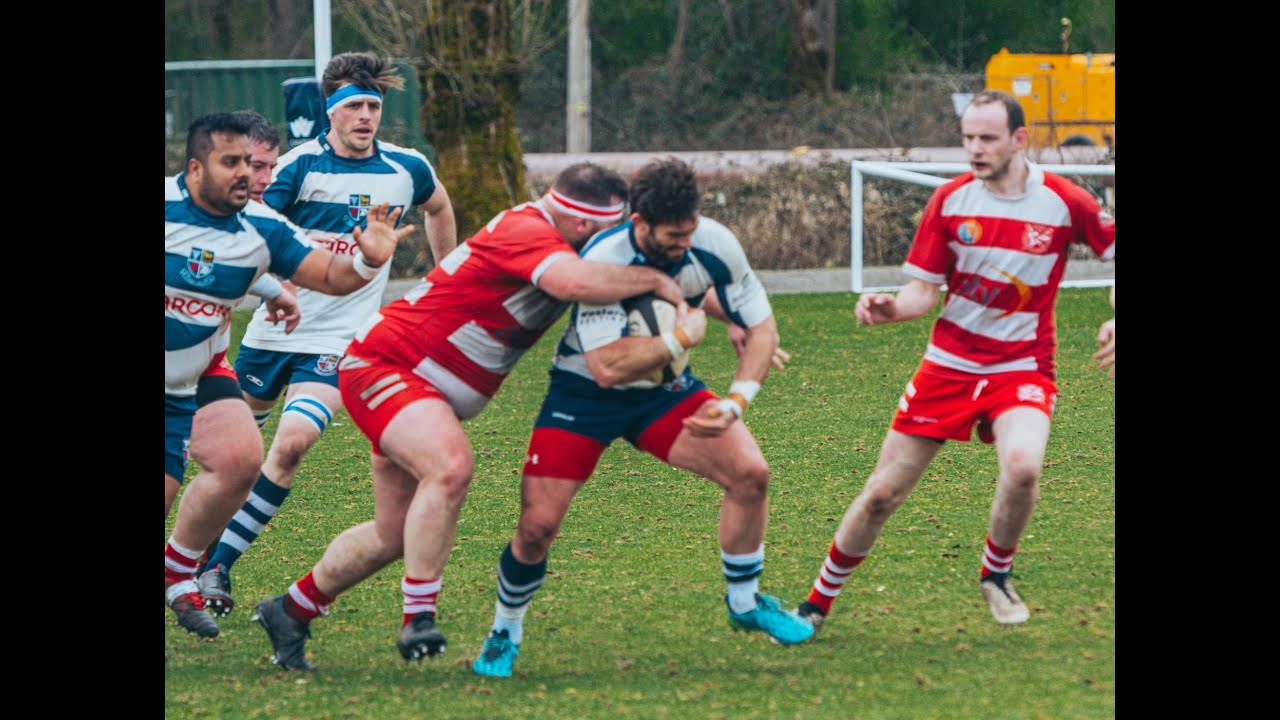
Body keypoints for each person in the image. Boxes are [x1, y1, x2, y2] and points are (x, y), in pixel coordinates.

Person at [250, 161, 686, 671]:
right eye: (610, 230)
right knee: (450, 465)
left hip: (412, 381)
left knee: (394, 533)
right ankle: (419, 617)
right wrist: (654, 278)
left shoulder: (560, 235)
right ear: (584, 224)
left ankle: (290, 610)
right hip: (386, 366)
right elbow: (572, 283)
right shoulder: (529, 230)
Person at [471, 157, 813, 679]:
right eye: (673, 236)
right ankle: (505, 630)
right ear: (640, 224)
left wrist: (737, 400)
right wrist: (680, 338)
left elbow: (762, 327)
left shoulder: (715, 244)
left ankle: (745, 603)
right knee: (537, 527)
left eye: (690, 231)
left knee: (751, 474)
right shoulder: (604, 257)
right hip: (583, 396)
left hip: (665, 394)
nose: (684, 244)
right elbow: (606, 367)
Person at [794, 89, 1115, 632]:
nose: (974, 149)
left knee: (1022, 466)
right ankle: (815, 605)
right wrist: (887, 307)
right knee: (880, 495)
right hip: (948, 365)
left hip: (1022, 366)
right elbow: (921, 295)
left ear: (1019, 139)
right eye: (967, 137)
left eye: (987, 138)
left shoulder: (1065, 203)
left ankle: (996, 573)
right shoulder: (950, 202)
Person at [196, 53, 457, 620]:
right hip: (273, 332)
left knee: (290, 446)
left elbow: (439, 205)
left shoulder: (405, 167)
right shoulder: (295, 168)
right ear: (330, 112)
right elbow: (248, 235)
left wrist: (443, 278)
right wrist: (268, 290)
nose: (366, 116)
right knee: (227, 458)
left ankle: (219, 562)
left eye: (373, 106)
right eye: (355, 106)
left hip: (342, 339)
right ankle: (188, 556)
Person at [165, 111, 414, 639]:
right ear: (193, 168)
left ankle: (180, 569)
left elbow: (329, 274)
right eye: (230, 162)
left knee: (240, 460)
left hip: (195, 374)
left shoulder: (263, 226)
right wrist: (272, 292)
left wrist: (368, 262)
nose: (247, 175)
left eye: (251, 165)